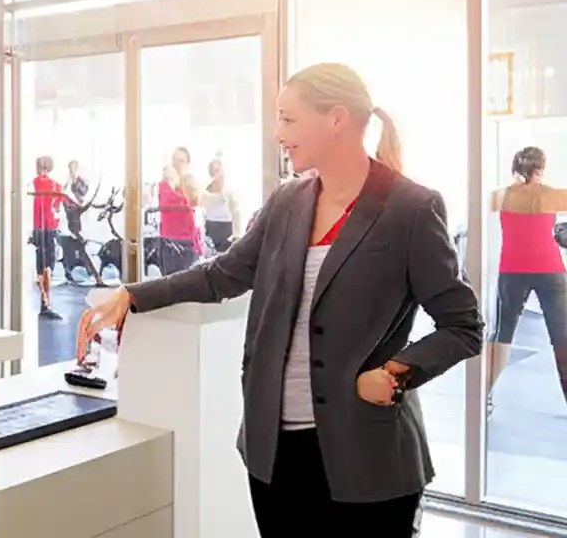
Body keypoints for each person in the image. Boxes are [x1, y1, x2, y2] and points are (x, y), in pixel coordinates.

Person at [87, 63, 482, 537]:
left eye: (289, 119)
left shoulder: (411, 208)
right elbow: (224, 274)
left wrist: (396, 373)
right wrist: (133, 294)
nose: (278, 134)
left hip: (367, 456)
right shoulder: (287, 201)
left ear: (336, 119)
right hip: (274, 452)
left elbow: (463, 325)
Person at [487, 147, 567, 412]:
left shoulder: (501, 197)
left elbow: (481, 205)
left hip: (513, 270)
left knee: (503, 334)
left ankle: (483, 394)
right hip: (550, 270)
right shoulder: (554, 195)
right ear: (540, 170)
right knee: (562, 337)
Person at [31, 156, 64, 320]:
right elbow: (57, 210)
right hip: (49, 229)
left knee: (40, 266)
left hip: (37, 229)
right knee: (48, 266)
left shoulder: (33, 184)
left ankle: (44, 301)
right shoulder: (56, 185)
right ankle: (45, 303)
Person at [202, 157, 241, 253]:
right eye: (213, 171)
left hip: (226, 231)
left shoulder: (231, 194)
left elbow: (236, 213)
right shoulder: (206, 192)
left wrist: (236, 236)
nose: (216, 174)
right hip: (210, 230)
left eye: (218, 170)